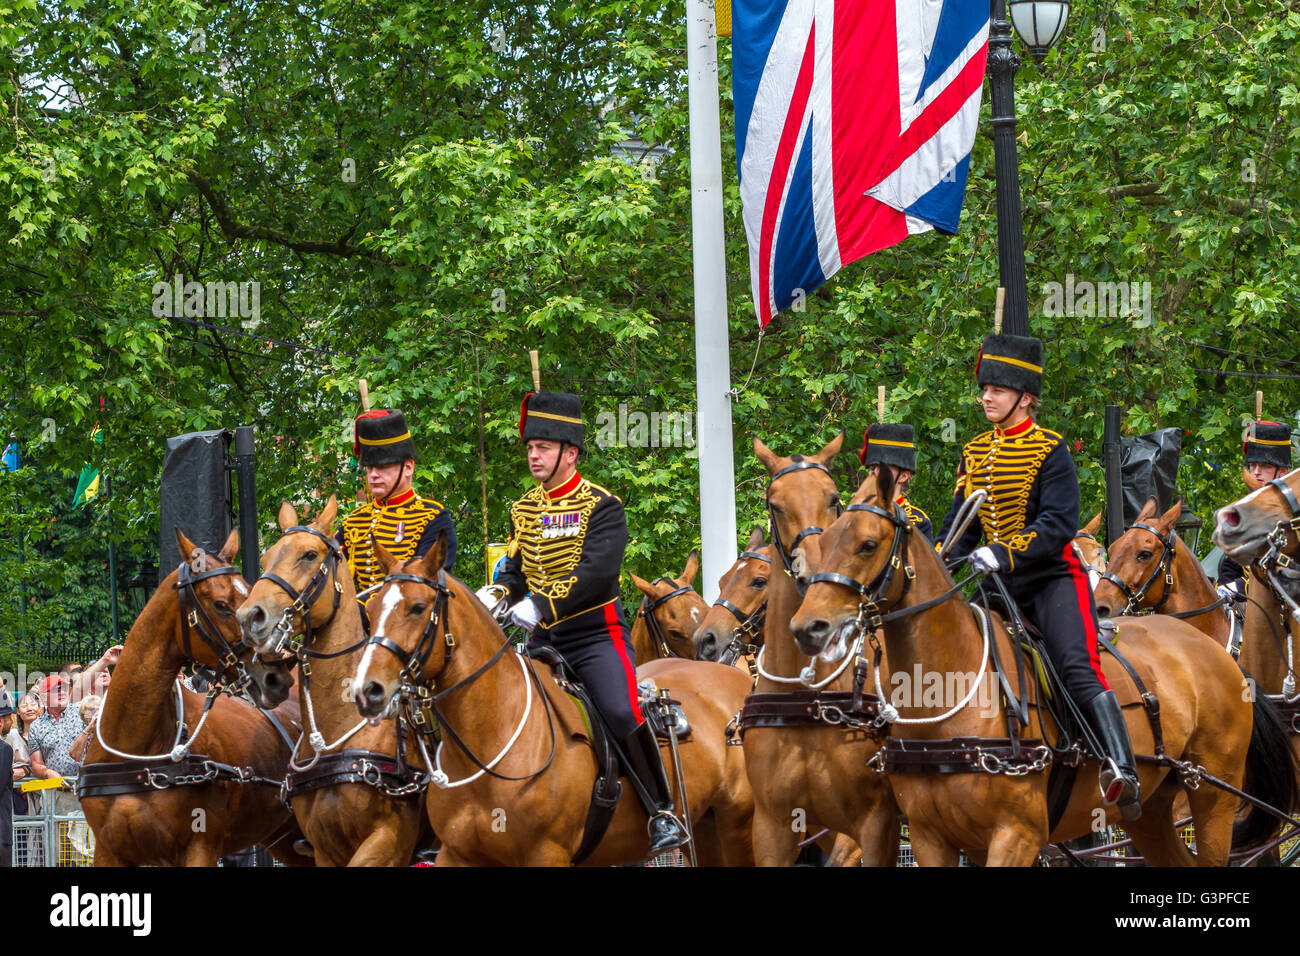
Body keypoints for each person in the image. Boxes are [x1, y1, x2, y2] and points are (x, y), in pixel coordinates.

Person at [935, 331, 1141, 820]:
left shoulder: (1051, 449)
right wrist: (939, 562)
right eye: (985, 388)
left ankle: (1121, 766)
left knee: (1075, 663)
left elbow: (1056, 524)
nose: (986, 397)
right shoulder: (973, 452)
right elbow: (957, 528)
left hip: (1049, 579)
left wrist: (1002, 553)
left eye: (997, 390)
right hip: (992, 586)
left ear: (1024, 398)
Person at [477, 391, 690, 854]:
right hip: (541, 640)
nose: (534, 454)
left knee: (619, 709)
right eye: (531, 446)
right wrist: (494, 594)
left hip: (594, 636)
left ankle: (661, 812)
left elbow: (595, 576)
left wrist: (540, 605)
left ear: (569, 453)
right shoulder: (523, 508)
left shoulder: (602, 505)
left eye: (545, 447)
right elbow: (514, 570)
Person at [338, 409, 457, 629]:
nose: (373, 474)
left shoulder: (432, 518)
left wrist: (355, 612)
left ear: (408, 467)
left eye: (382, 467)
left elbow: (421, 584)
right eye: (369, 467)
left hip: (408, 631)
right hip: (355, 633)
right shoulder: (353, 522)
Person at [1217, 420, 1292, 600]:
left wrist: (1242, 586)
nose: (1256, 472)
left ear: (1282, 471)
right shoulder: (1245, 511)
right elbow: (1229, 566)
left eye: (1265, 466)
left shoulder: (1293, 512)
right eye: (1252, 465)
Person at [860, 422, 932, 540]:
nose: (874, 472)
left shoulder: (917, 522)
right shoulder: (857, 513)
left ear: (904, 476)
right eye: (872, 467)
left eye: (883, 468)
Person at [26, 675, 85, 815]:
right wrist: (48, 772)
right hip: (55, 795)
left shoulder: (81, 713)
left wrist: (86, 768)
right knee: (56, 836)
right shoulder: (36, 726)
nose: (62, 692)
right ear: (44, 696)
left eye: (64, 688)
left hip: (83, 791)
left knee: (84, 836)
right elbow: (36, 764)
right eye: (57, 689)